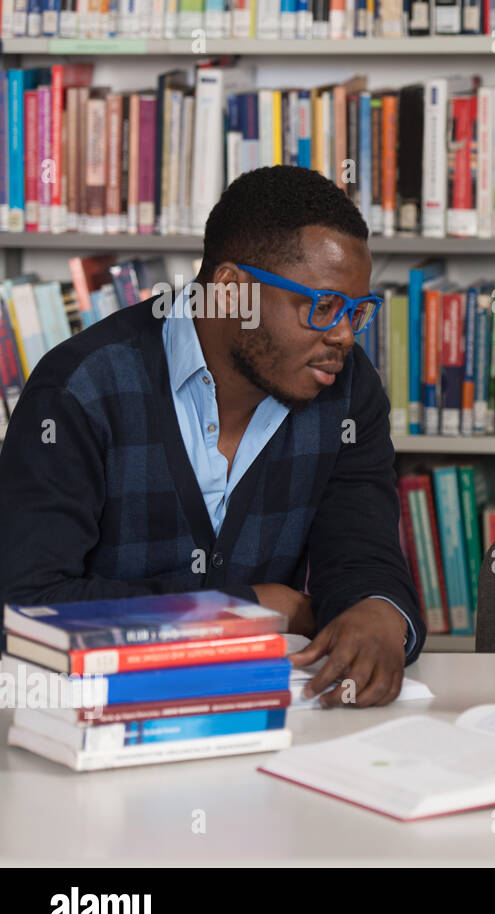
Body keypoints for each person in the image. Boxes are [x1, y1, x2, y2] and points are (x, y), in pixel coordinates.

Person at [0, 165, 424, 705]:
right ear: (231, 292)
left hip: (269, 721)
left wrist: (377, 609)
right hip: (94, 723)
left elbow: (364, 552)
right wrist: (253, 606)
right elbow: (26, 605)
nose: (343, 335)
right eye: (322, 306)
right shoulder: (82, 389)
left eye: (357, 311)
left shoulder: (346, 390)